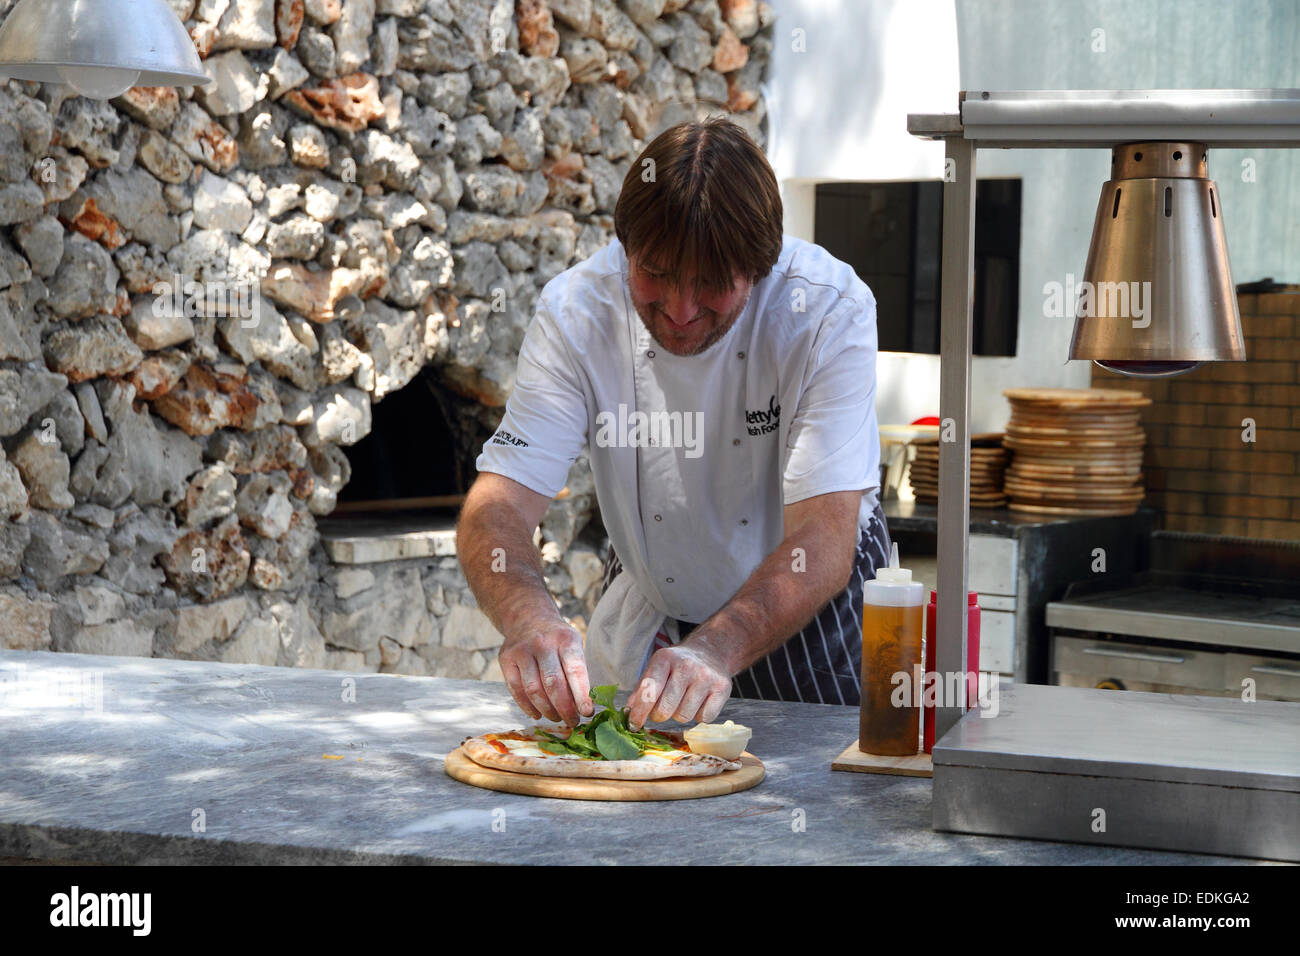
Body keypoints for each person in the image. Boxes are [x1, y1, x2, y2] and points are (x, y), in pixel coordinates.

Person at [457, 117, 889, 731]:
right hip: (658, 587)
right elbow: (498, 504)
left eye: (711, 285)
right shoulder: (577, 314)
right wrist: (528, 617)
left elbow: (823, 535)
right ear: (625, 246)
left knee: (815, 803)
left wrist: (717, 646)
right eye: (655, 272)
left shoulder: (825, 310)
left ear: (761, 269)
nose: (681, 311)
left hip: (811, 605)